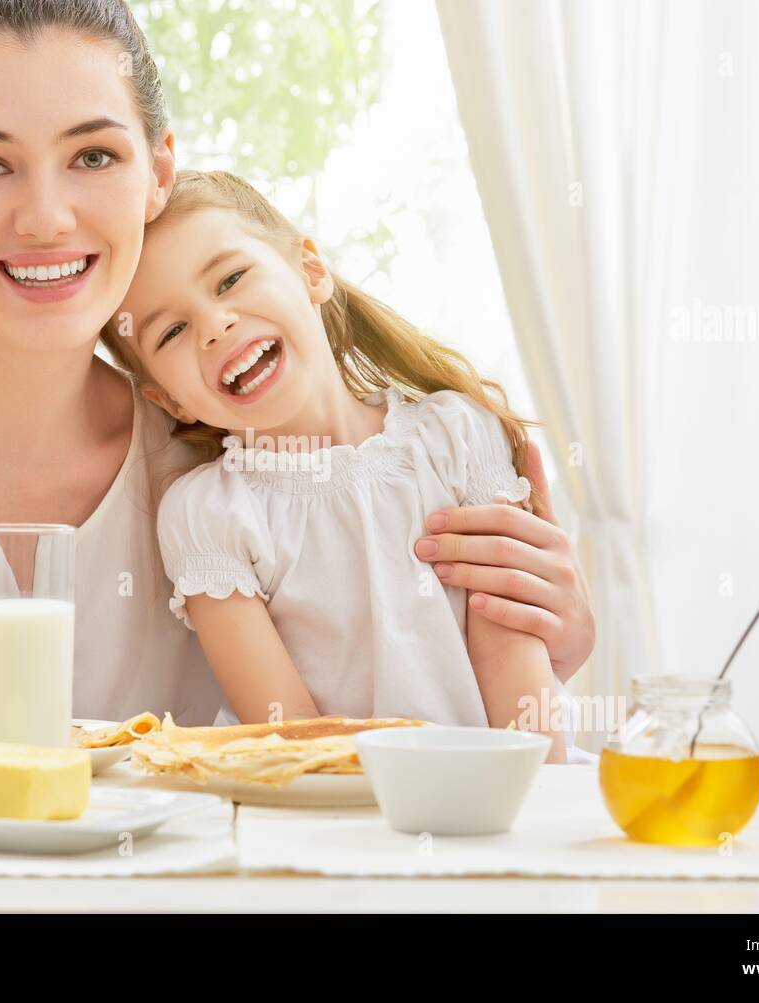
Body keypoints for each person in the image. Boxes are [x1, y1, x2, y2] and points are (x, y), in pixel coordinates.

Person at [0, 0, 595, 748]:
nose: (46, 216)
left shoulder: (221, 444)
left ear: (159, 170)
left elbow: (401, 676)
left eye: (93, 155)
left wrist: (558, 635)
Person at [102, 170, 574, 761]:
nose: (214, 326)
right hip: (336, 812)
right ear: (166, 399)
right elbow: (291, 734)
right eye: (171, 331)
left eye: (230, 279)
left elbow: (511, 657)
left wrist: (533, 812)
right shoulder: (207, 515)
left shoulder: (455, 434)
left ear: (311, 271)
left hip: (500, 796)